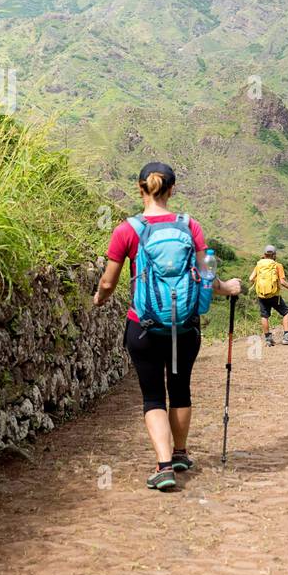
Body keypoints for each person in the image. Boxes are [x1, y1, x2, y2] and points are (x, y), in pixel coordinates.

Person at [93, 162, 241, 490]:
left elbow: (108, 281)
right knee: (180, 389)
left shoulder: (126, 230)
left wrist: (99, 299)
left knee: (152, 397)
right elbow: (206, 276)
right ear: (172, 190)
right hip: (186, 328)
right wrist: (228, 286)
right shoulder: (190, 226)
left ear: (140, 188)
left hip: (143, 328)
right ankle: (180, 453)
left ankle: (163, 467)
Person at [248, 244, 288, 346]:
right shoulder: (277, 265)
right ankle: (286, 337)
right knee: (285, 312)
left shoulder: (259, 265)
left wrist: (260, 282)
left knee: (264, 316)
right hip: (274, 295)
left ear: (264, 254)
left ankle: (268, 339)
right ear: (274, 255)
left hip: (262, 295)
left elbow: (250, 279)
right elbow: (283, 282)